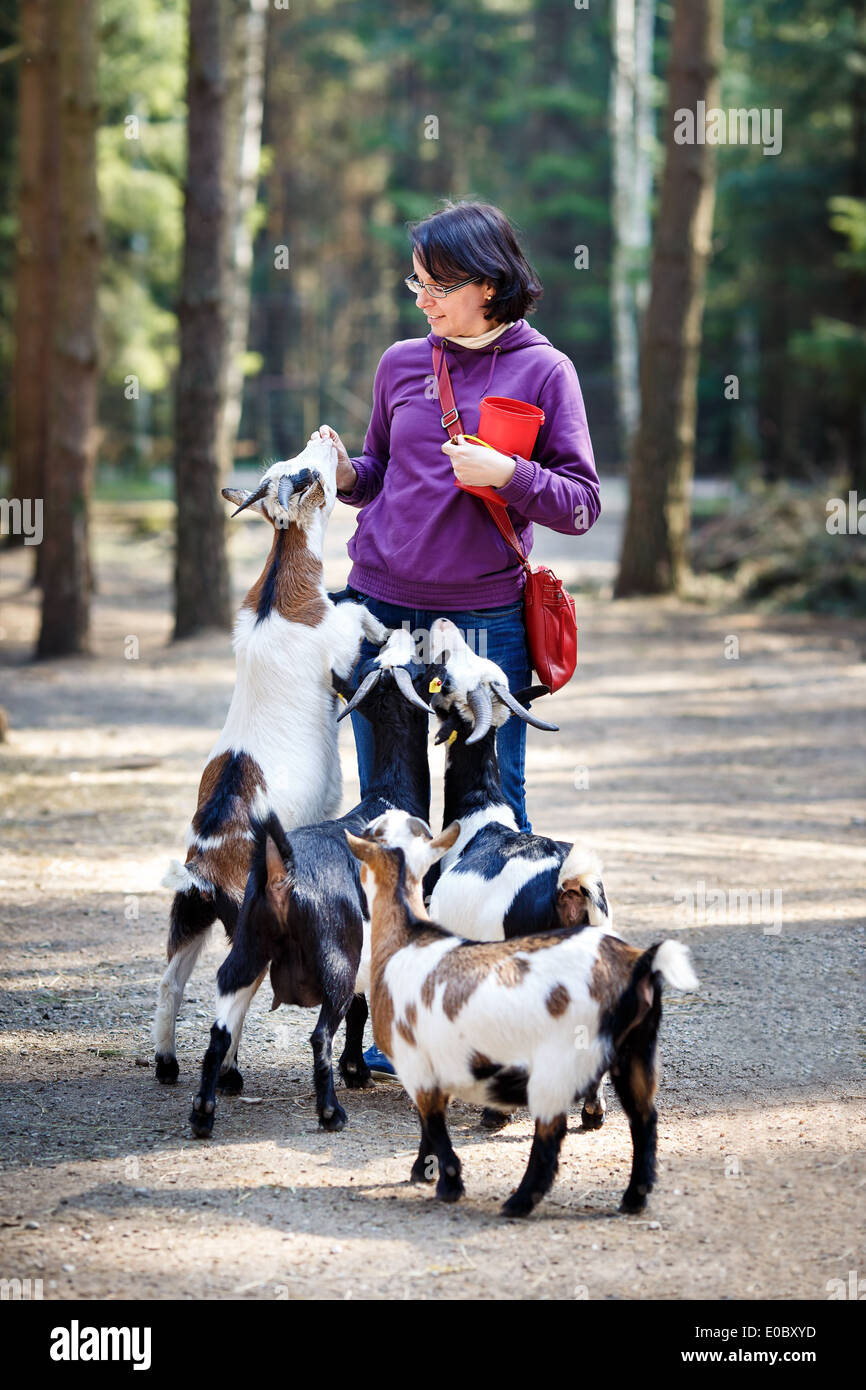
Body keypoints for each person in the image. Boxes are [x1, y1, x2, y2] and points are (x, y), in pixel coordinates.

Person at [312, 200, 600, 1076]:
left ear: (486, 285)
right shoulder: (403, 363)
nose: (421, 301)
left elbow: (581, 501)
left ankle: (490, 1024)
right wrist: (339, 469)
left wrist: (511, 474)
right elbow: (378, 475)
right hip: (379, 609)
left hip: (485, 624)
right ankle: (385, 1023)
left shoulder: (547, 372)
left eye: (435, 286)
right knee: (391, 825)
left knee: (484, 825)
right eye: (417, 283)